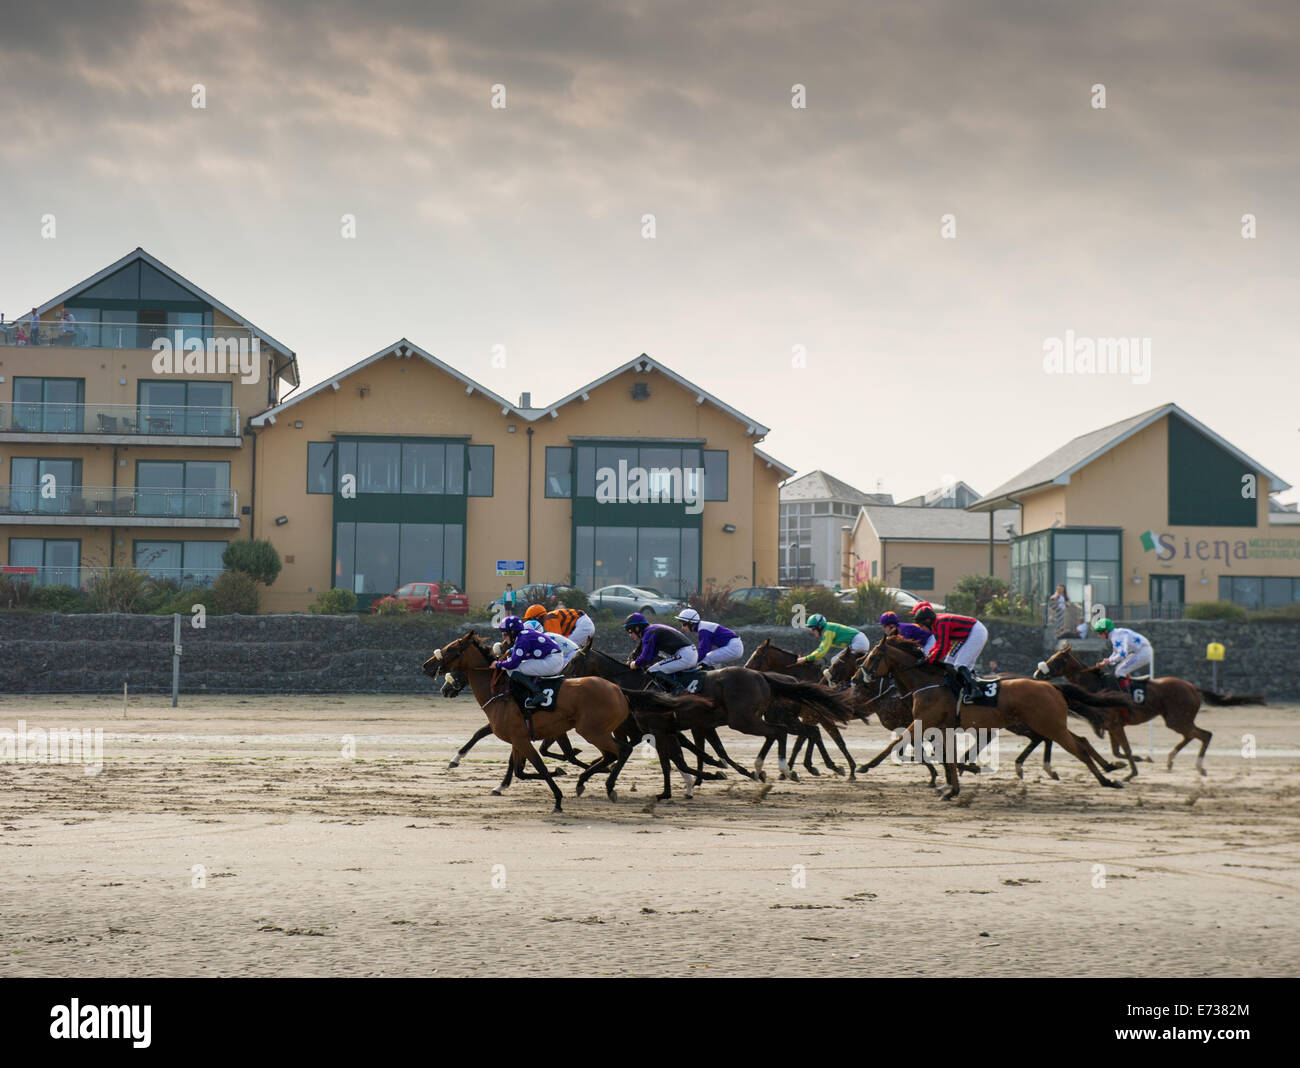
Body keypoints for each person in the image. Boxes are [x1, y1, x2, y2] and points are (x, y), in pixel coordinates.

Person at [912, 602, 987, 700]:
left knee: (960, 664)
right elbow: (939, 645)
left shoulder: (941, 622)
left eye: (922, 626)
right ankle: (959, 688)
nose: (922, 629)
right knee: (949, 663)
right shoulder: (936, 624)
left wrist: (928, 660)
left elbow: (943, 646)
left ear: (927, 620)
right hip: (966, 635)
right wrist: (927, 657)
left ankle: (975, 690)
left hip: (976, 632)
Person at [492, 614, 564, 710]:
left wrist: (497, 665)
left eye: (505, 634)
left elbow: (513, 663)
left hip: (552, 661)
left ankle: (538, 694)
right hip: (553, 658)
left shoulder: (522, 639)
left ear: (512, 632)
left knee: (512, 670)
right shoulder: (524, 635)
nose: (504, 637)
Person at [624, 612, 698, 692]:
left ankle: (679, 690)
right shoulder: (651, 629)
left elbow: (645, 658)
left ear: (637, 628)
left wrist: (634, 664)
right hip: (688, 653)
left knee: (652, 670)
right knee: (656, 667)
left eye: (630, 631)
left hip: (685, 654)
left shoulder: (648, 633)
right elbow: (651, 655)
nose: (630, 635)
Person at [797, 613, 869, 673]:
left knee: (835, 660)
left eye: (812, 628)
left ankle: (846, 682)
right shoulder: (827, 628)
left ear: (819, 627)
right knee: (838, 661)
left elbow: (821, 652)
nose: (812, 632)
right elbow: (820, 650)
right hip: (859, 641)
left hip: (858, 642)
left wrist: (805, 659)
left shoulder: (827, 631)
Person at [1093, 618, 1152, 690]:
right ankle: (1129, 690)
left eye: (1100, 633)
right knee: (1119, 669)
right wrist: (1105, 662)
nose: (1099, 635)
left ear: (1106, 631)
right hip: (1140, 651)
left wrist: (1109, 661)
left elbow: (1122, 654)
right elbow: (1116, 653)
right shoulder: (1115, 634)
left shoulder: (1116, 636)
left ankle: (1126, 698)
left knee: (1120, 671)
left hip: (1143, 652)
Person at [675, 607, 743, 667]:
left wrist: (690, 662)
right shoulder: (702, 627)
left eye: (684, 624)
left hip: (733, 647)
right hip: (734, 645)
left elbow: (703, 650)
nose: (682, 627)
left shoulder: (703, 630)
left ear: (691, 623)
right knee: (706, 659)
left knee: (705, 659)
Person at [523, 602, 596, 649]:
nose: (529, 622)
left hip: (583, 625)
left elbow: (557, 640)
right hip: (584, 624)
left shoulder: (548, 620)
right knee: (572, 649)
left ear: (537, 617)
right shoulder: (549, 618)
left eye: (530, 619)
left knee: (567, 649)